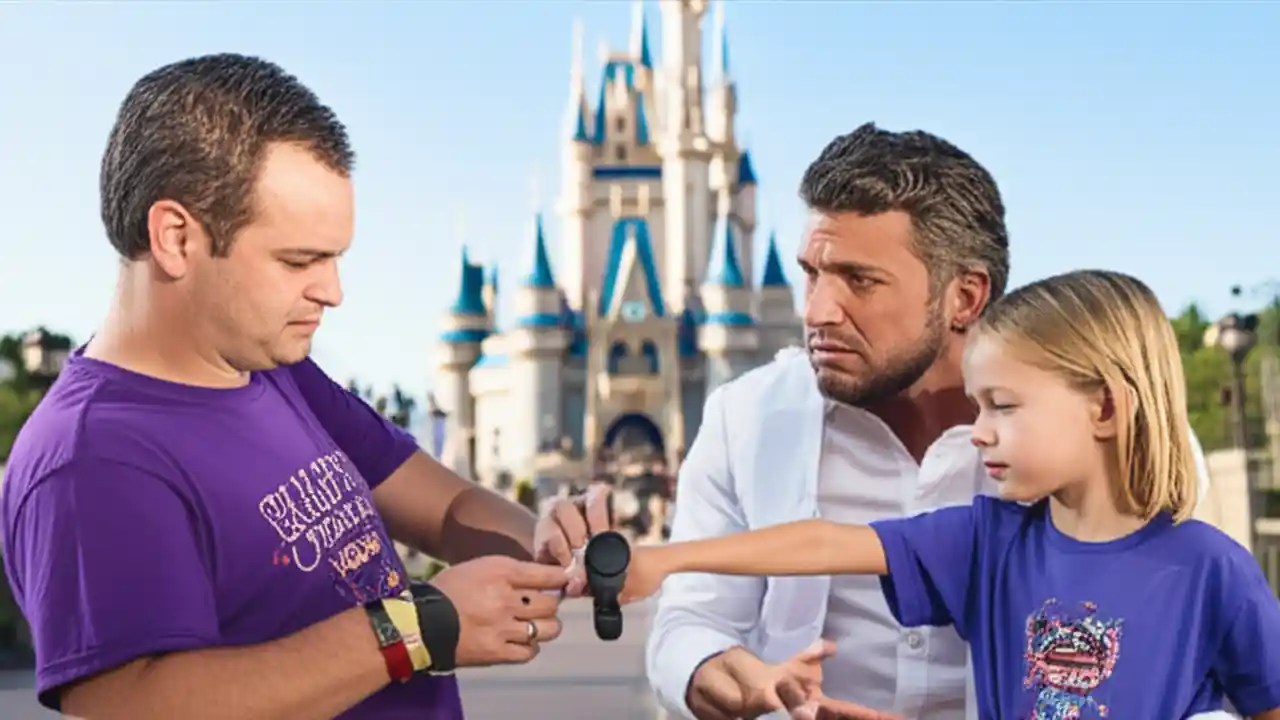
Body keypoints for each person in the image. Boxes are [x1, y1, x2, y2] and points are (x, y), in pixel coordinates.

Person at [540, 123, 1215, 720]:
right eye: (812, 275)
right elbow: (695, 617)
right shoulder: (745, 418)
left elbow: (1196, 674)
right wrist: (716, 672)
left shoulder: (1118, 449)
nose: (817, 311)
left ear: (964, 297)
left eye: (859, 281)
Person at [0, 53, 574, 719]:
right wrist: (413, 628)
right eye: (299, 260)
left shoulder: (278, 370)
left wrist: (554, 546)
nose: (332, 291)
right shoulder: (90, 459)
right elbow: (145, 704)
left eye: (335, 257)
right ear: (176, 238)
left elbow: (448, 509)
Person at [618, 269, 1280, 719]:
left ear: (1104, 408)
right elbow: (823, 543)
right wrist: (667, 560)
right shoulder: (988, 543)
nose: (978, 432)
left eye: (1003, 406)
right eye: (976, 406)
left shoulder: (1211, 570)